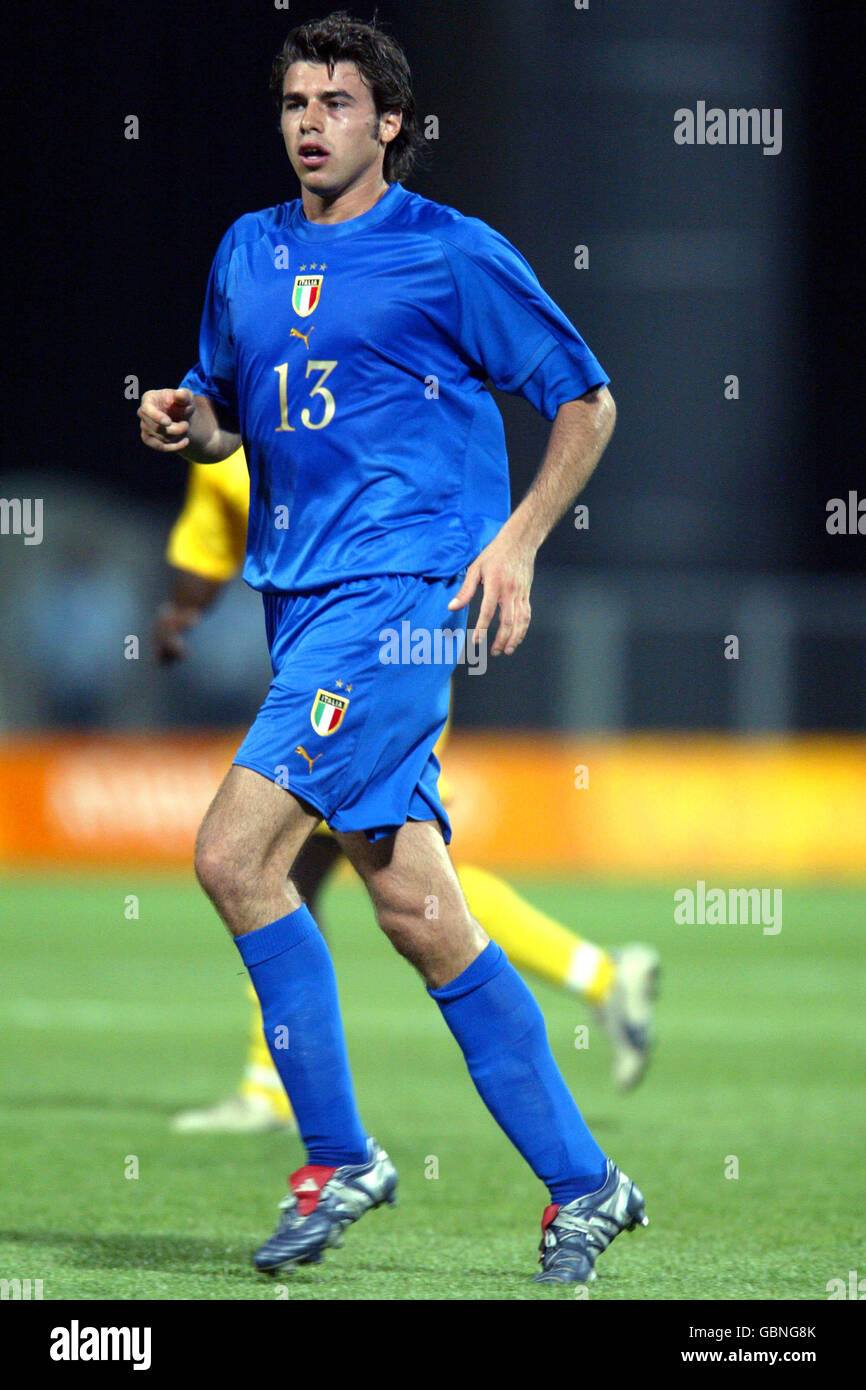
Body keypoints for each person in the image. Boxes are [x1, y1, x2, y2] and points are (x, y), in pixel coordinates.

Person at [138, 10, 648, 1285]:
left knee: (230, 854)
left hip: (397, 602)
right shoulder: (245, 251)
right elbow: (230, 415)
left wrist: (518, 541)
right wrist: (188, 421)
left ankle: (337, 1153)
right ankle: (588, 1185)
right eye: (296, 103)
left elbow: (583, 399)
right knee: (423, 916)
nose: (312, 123)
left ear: (392, 125)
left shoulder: (448, 253)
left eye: (338, 103)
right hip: (299, 603)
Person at [156, 452, 659, 1135]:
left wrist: (180, 613)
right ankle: (272, 1084)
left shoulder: (284, 422)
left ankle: (597, 981)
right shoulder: (259, 426)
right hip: (347, 676)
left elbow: (201, 566)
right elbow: (206, 556)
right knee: (307, 873)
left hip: (370, 675)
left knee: (376, 875)